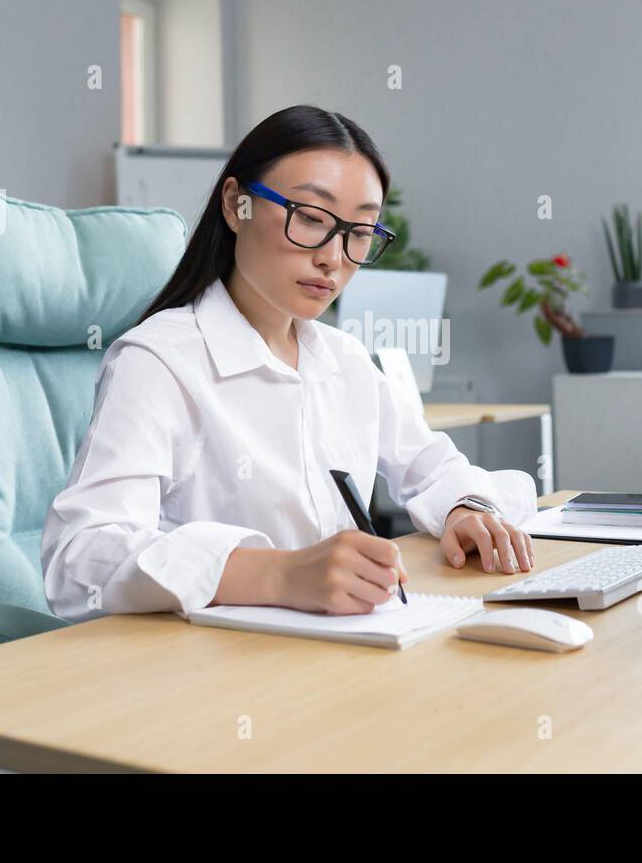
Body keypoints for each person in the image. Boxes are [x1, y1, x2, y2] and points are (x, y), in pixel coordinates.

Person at [42, 105, 537, 622]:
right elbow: (78, 562)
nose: (334, 257)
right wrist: (278, 574)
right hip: (204, 672)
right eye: (309, 218)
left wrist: (465, 508)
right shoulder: (160, 362)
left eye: (361, 231)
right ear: (237, 206)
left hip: (333, 653)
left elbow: (431, 465)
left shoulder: (345, 361)